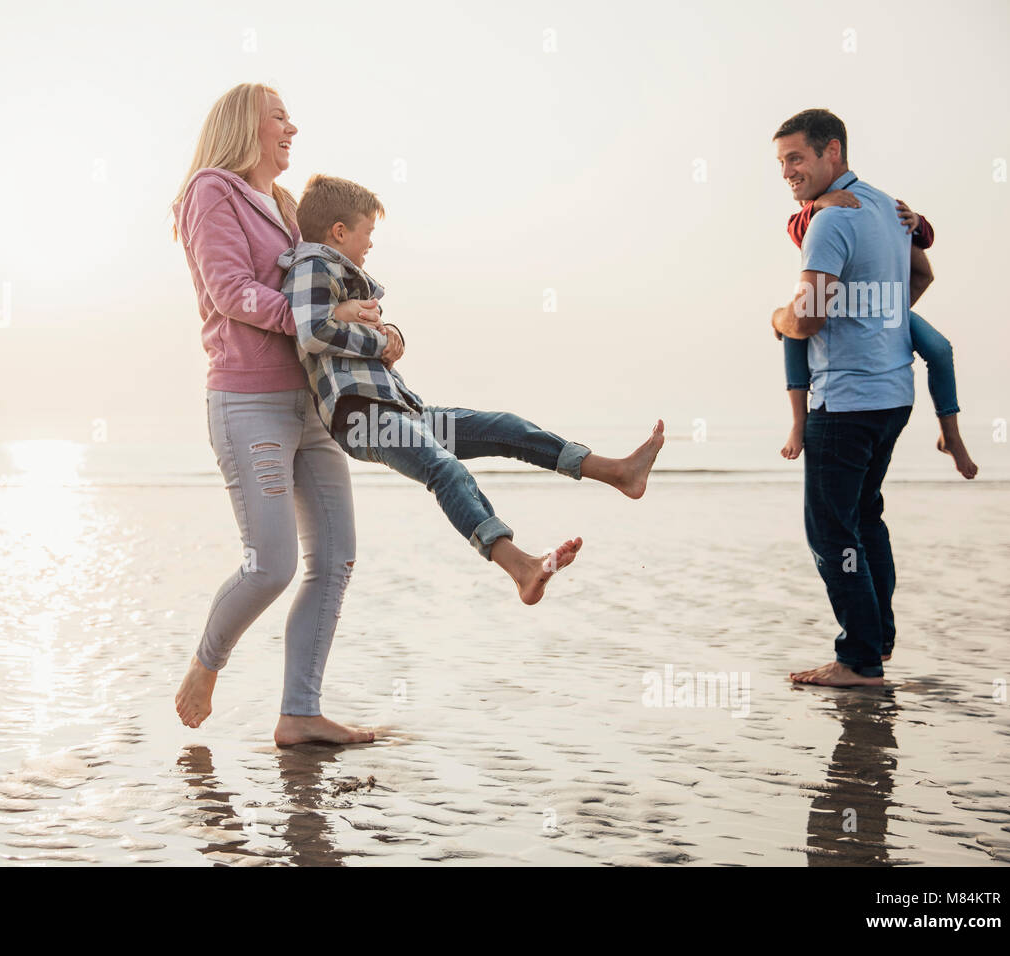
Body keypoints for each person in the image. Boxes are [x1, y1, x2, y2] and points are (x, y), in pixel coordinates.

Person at [278, 174, 666, 605]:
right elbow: (312, 333)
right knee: (444, 468)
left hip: (401, 409)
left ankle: (616, 472)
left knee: (505, 427)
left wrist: (392, 336)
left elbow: (371, 337)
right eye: (368, 233)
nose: (371, 243)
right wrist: (378, 339)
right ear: (339, 232)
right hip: (363, 418)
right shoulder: (312, 266)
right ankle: (519, 566)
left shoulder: (348, 278)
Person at [168, 83, 386, 746]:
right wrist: (317, 316)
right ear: (245, 126)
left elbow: (323, 286)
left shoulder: (288, 207)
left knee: (338, 557)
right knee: (272, 563)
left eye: (293, 116)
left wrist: (372, 322)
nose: (294, 126)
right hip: (248, 402)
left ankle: (299, 713)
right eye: (280, 117)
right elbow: (231, 292)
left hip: (310, 404)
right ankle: (207, 662)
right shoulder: (212, 191)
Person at [770, 109, 914, 687]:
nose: (788, 172)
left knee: (832, 533)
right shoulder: (890, 208)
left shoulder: (832, 222)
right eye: (781, 163)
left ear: (834, 151)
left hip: (847, 400)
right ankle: (876, 639)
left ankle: (859, 659)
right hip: (893, 394)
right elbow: (919, 278)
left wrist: (777, 317)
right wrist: (875, 321)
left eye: (796, 158)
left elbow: (804, 321)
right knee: (865, 518)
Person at [777, 193, 978, 479]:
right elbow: (794, 228)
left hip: (884, 308)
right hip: (830, 304)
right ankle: (798, 422)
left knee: (940, 349)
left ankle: (951, 435)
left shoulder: (884, 210)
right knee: (794, 326)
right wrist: (818, 206)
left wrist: (919, 223)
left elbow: (924, 239)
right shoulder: (821, 218)